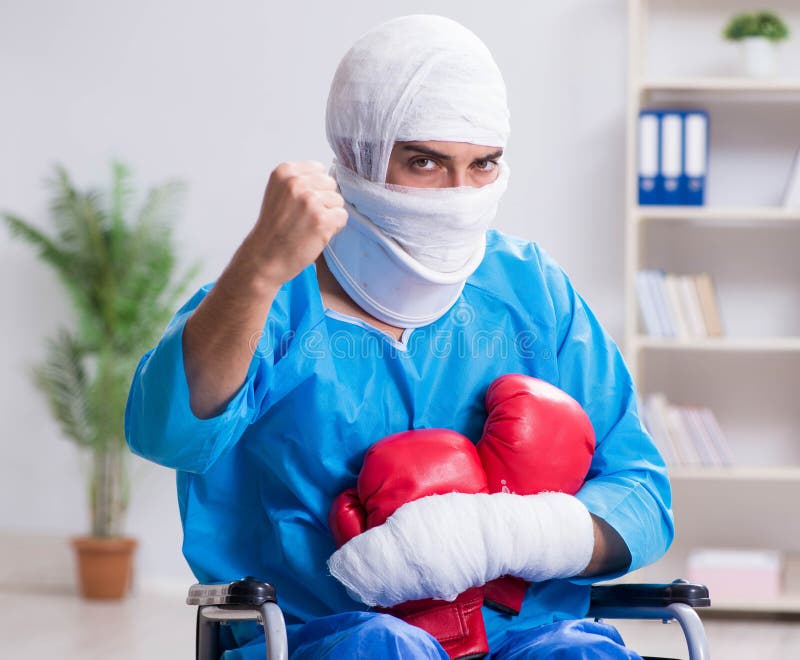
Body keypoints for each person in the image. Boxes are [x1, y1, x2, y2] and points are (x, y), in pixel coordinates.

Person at [125, 14, 673, 659]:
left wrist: (503, 535)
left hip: (528, 638)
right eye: (425, 162)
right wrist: (257, 271)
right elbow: (166, 432)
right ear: (357, 156)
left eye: (483, 165)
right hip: (326, 640)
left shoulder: (531, 291)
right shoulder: (273, 299)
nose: (459, 194)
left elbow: (639, 490)